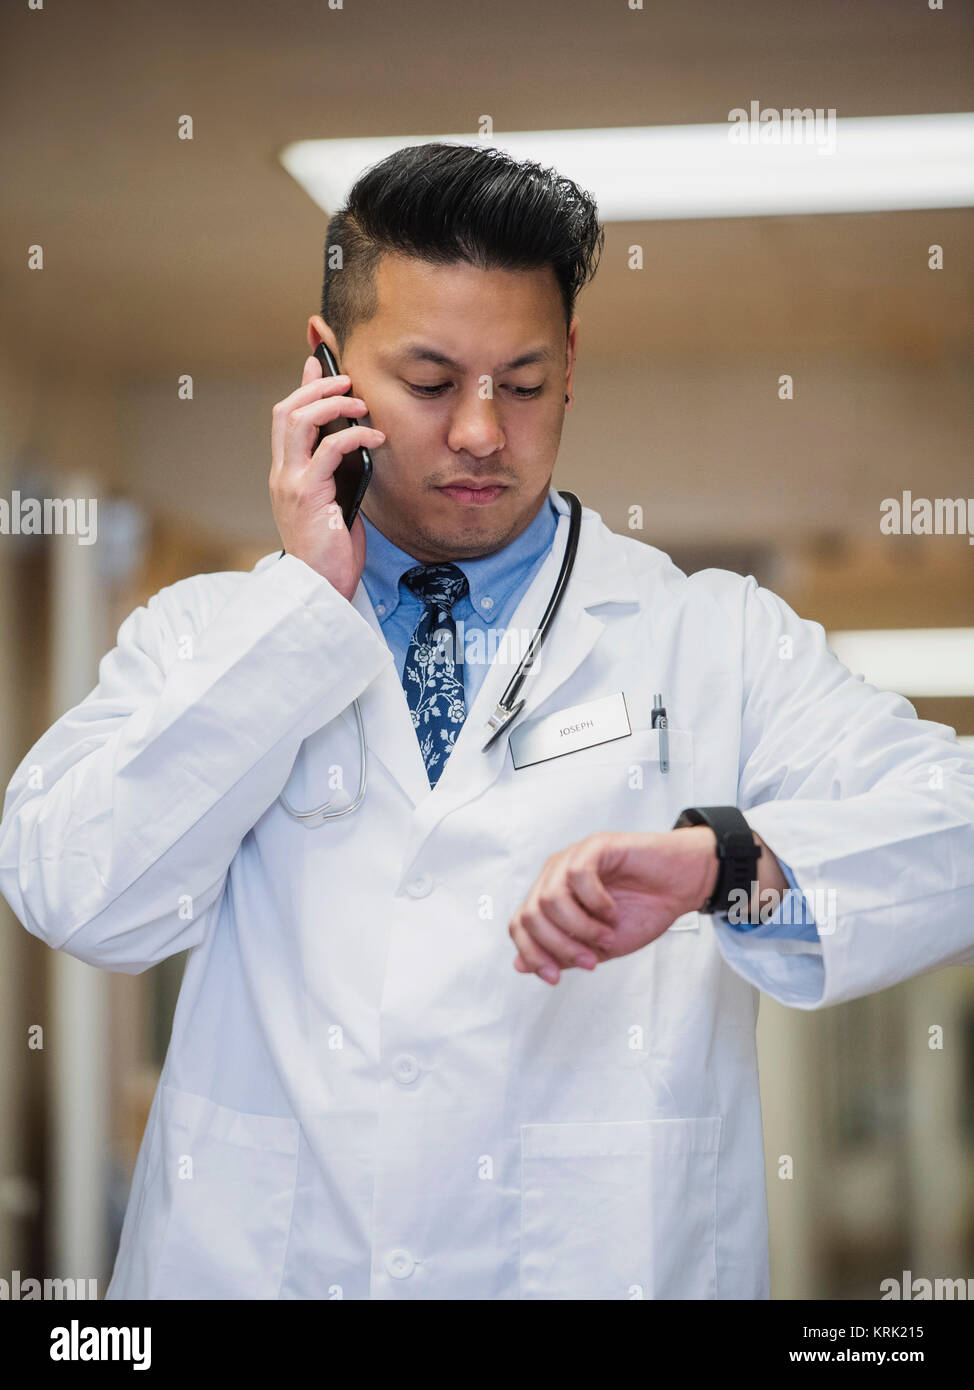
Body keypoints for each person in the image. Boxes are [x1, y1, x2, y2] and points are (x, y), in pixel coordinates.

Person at [1, 142, 972, 1301]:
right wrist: (300, 614)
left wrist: (726, 865)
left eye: (519, 383)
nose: (478, 432)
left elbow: (951, 829)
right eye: (427, 382)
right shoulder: (207, 635)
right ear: (325, 372)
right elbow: (78, 893)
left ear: (568, 365)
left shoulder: (715, 641)